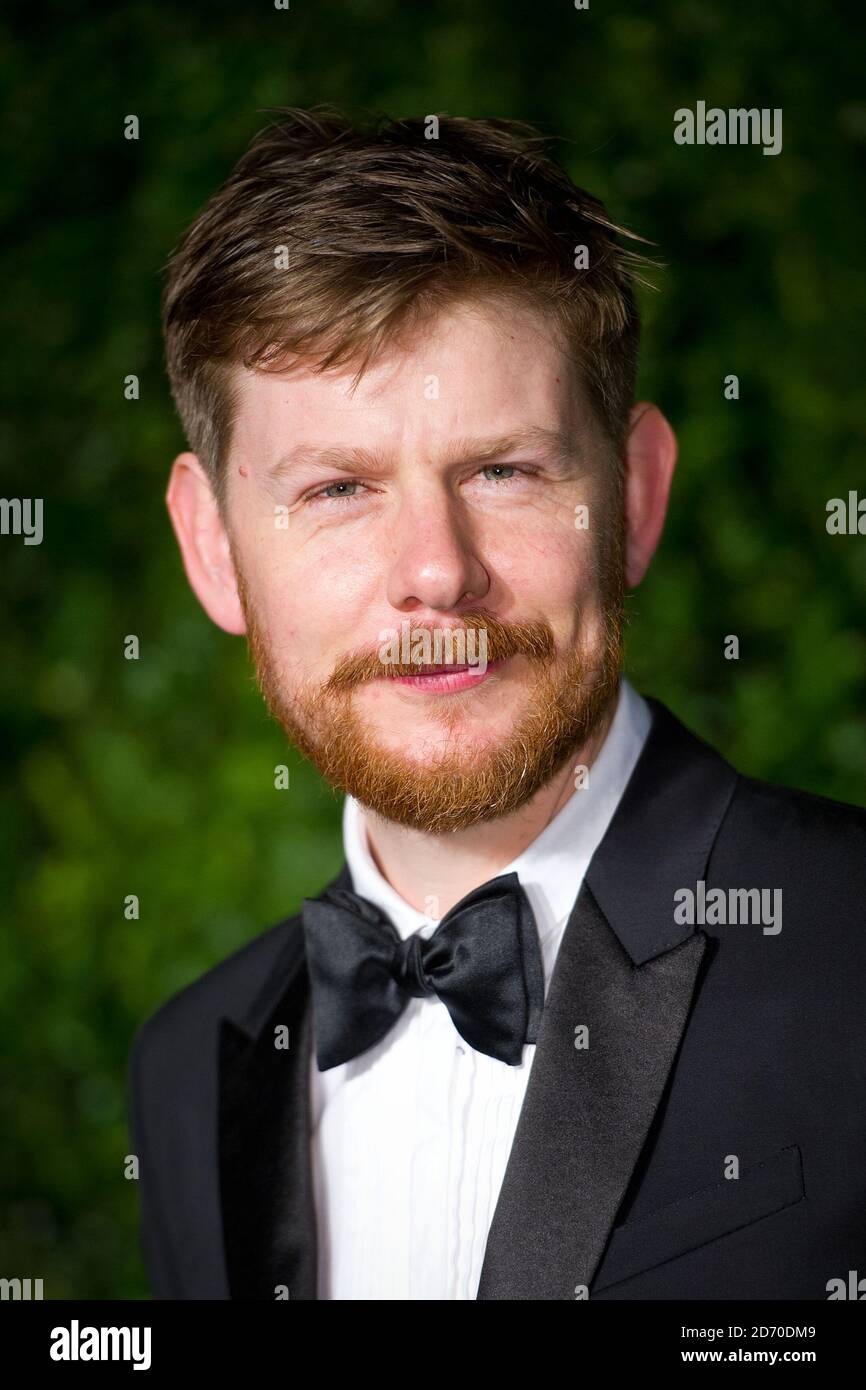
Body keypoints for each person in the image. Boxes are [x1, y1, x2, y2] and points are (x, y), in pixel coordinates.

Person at [128, 106, 866, 1301]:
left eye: (502, 470)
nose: (436, 567)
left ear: (631, 493)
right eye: (335, 488)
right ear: (212, 549)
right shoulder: (183, 1068)